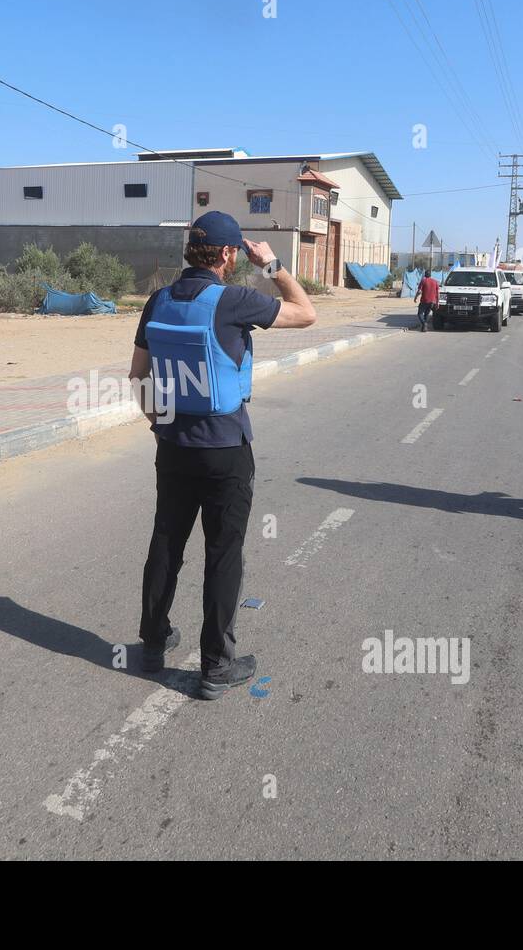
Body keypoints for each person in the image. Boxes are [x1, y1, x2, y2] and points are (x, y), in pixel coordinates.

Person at [130, 211, 315, 699]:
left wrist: (160, 427)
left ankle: (152, 643)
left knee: (166, 542)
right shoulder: (234, 300)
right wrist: (272, 264)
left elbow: (138, 376)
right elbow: (306, 311)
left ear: (190, 251)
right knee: (222, 553)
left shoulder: (157, 300)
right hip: (225, 451)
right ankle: (215, 666)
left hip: (172, 448)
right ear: (229, 255)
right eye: (239, 254)